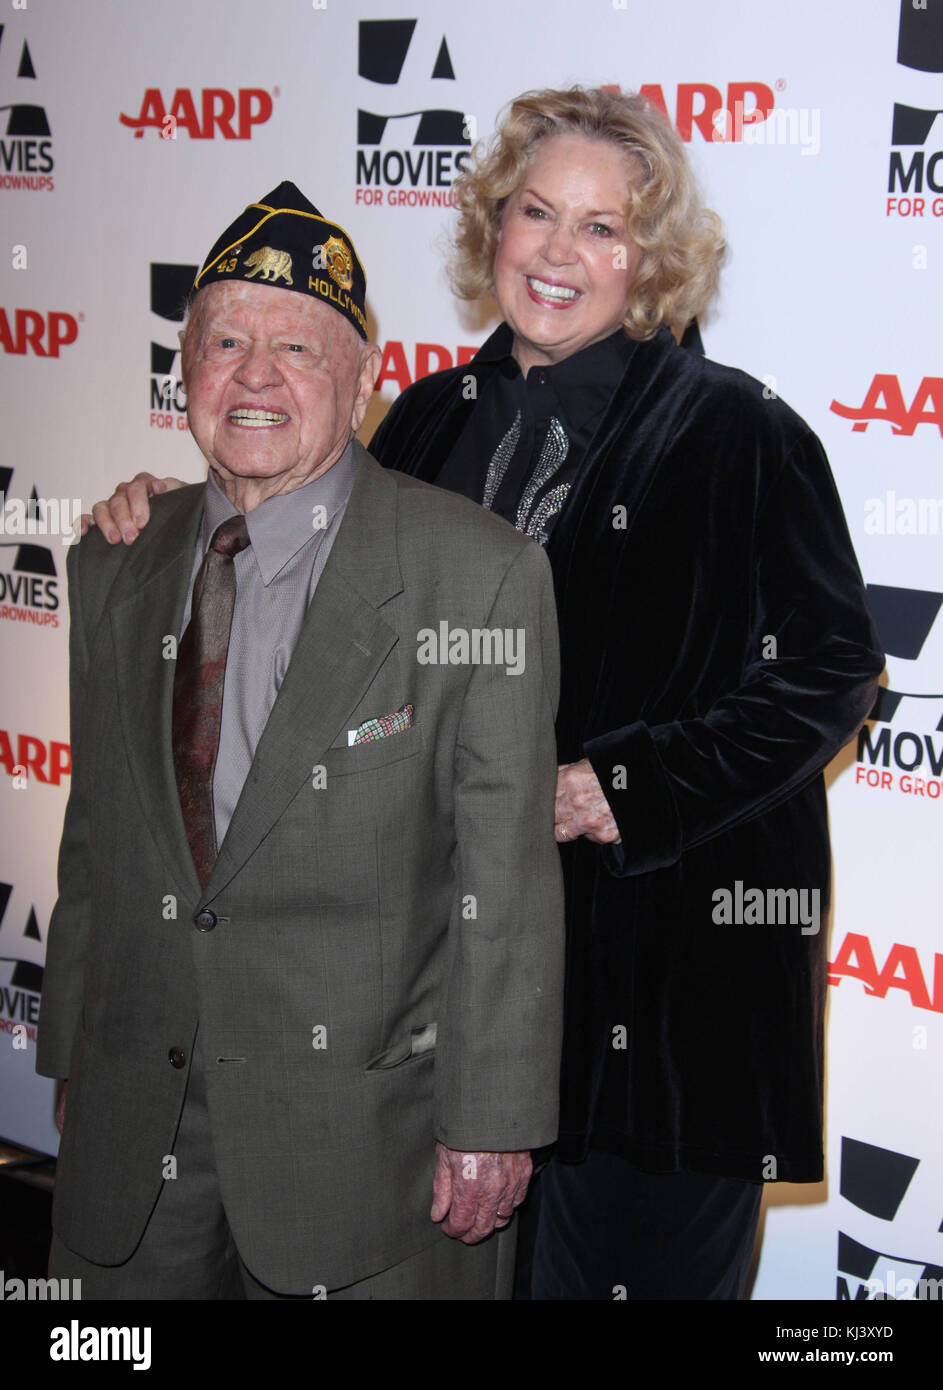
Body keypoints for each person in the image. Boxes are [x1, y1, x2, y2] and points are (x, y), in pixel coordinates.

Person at [88, 88, 885, 1301]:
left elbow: (831, 666)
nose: (560, 254)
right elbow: (280, 537)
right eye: (535, 213)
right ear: (490, 230)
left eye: (604, 229)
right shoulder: (421, 419)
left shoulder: (738, 433)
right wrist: (161, 522)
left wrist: (619, 786)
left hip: (652, 1002)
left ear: (652, 259)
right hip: (436, 1017)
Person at [36, 180, 565, 1300]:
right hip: (136, 1136)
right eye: (226, 339)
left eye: (298, 347)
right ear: (185, 368)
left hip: (369, 1153)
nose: (257, 373)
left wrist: (493, 1119)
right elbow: (98, 836)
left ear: (365, 379)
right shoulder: (113, 558)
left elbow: (504, 882)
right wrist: (73, 1051)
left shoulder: (478, 573)